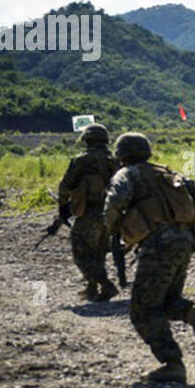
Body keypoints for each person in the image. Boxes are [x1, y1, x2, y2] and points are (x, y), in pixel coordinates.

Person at [103, 133, 195, 384]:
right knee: (165, 301)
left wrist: (113, 229)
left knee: (143, 310)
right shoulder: (169, 174)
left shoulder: (127, 174)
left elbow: (115, 201)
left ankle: (172, 364)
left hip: (158, 246)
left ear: (121, 155)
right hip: (184, 243)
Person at [57, 122, 118, 301]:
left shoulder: (81, 160)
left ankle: (106, 285)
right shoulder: (115, 161)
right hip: (110, 214)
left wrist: (62, 208)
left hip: (89, 212)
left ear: (87, 140)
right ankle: (92, 288)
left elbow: (65, 187)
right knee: (98, 252)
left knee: (81, 252)